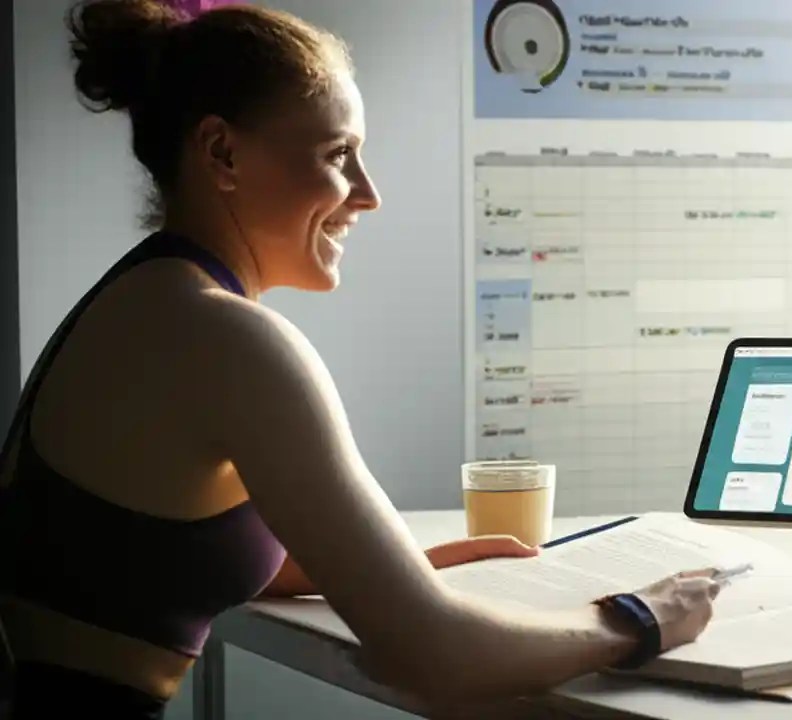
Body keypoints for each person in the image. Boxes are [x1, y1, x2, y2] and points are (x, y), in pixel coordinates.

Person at [0, 1, 719, 717]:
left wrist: (382, 570)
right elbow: (434, 659)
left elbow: (137, 556)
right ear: (222, 153)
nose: (367, 196)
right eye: (338, 156)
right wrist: (641, 617)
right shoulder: (228, 338)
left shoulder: (143, 297)